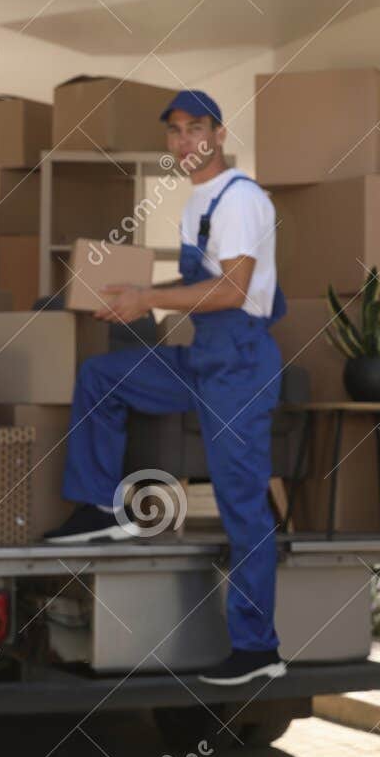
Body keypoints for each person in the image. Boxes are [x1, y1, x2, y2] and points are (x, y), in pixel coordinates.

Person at [43, 90, 288, 687]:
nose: (184, 142)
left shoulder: (241, 200)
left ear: (219, 133)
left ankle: (257, 650)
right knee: (104, 377)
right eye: (175, 132)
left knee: (242, 507)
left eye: (195, 129)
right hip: (205, 354)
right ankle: (99, 504)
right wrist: (133, 296)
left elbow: (232, 290)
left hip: (240, 363)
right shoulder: (194, 202)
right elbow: (198, 282)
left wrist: (146, 298)